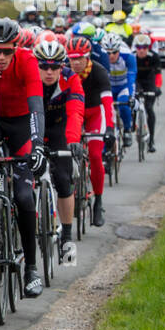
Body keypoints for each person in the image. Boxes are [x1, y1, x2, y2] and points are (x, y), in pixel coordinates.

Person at [0, 17, 45, 298]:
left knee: (24, 196)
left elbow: (35, 106)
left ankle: (31, 268)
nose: (2, 57)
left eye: (8, 51)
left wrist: (38, 144)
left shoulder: (28, 61)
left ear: (16, 48)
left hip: (22, 127)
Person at [34, 38, 83, 265]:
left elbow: (75, 111)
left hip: (59, 131)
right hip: (32, 128)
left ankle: (66, 235)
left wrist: (73, 140)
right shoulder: (29, 77)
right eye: (44, 66)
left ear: (62, 66)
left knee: (64, 179)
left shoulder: (71, 79)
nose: (49, 71)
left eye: (55, 66)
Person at [67, 35, 113, 227]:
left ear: (88, 57)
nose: (76, 63)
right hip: (75, 116)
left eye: (80, 58)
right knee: (67, 152)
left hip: (95, 114)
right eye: (72, 58)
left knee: (94, 155)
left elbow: (107, 102)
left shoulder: (99, 71)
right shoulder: (65, 73)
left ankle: (98, 201)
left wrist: (110, 127)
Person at [131, 32, 162, 152]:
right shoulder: (132, 57)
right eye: (139, 47)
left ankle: (151, 141)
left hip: (149, 81)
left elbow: (158, 74)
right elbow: (130, 75)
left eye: (144, 47)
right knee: (133, 104)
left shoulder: (154, 57)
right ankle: (132, 125)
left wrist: (158, 88)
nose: (141, 50)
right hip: (137, 80)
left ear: (148, 48)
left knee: (149, 108)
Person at [103, 33, 137, 134]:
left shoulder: (128, 56)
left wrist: (131, 96)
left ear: (119, 49)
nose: (111, 55)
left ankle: (127, 130)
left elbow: (131, 78)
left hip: (123, 87)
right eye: (108, 53)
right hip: (108, 88)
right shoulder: (101, 59)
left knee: (124, 106)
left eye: (114, 52)